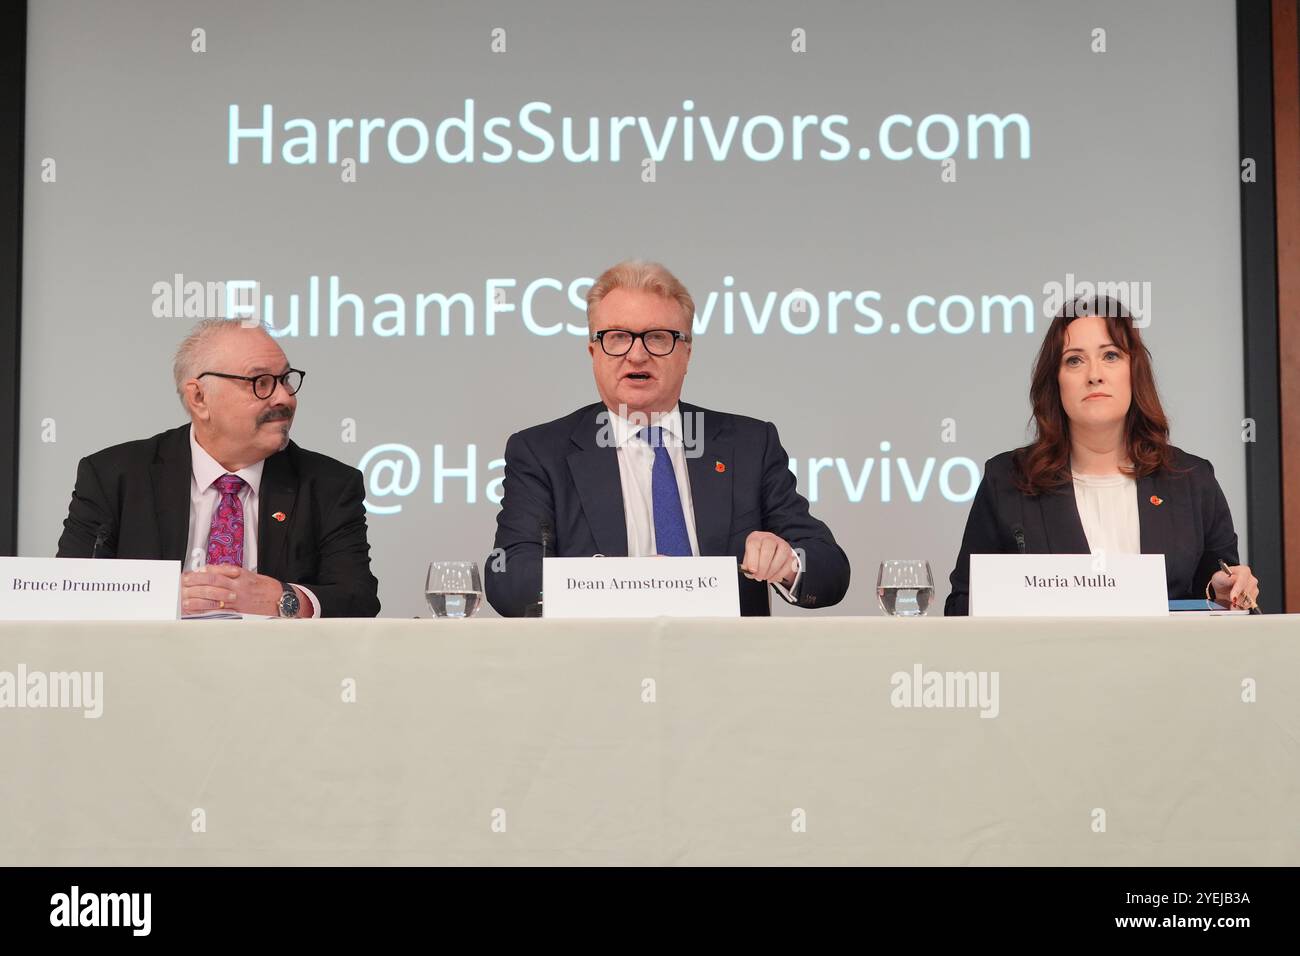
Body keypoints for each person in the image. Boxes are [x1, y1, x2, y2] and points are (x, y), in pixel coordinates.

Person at [485, 259, 850, 617]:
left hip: (728, 667)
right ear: (593, 351)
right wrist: (615, 581)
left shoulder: (749, 445)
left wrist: (786, 561)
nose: (637, 354)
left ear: (687, 353)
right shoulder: (540, 453)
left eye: (659, 337)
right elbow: (509, 581)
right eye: (617, 337)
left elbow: (828, 567)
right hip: (596, 666)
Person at [944, 295, 1258, 615]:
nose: (1094, 374)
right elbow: (961, 607)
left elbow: (1223, 601)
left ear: (1134, 373)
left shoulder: (1192, 480)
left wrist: (1224, 593)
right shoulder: (1008, 480)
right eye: (1074, 360)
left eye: (1110, 355)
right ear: (1055, 381)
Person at [56, 318, 381, 618]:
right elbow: (67, 591)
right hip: (145, 668)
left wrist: (282, 599)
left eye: (285, 379)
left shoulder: (328, 485)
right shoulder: (114, 476)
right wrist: (159, 598)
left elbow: (358, 599)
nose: (284, 397)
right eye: (261, 382)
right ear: (199, 398)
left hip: (277, 672)